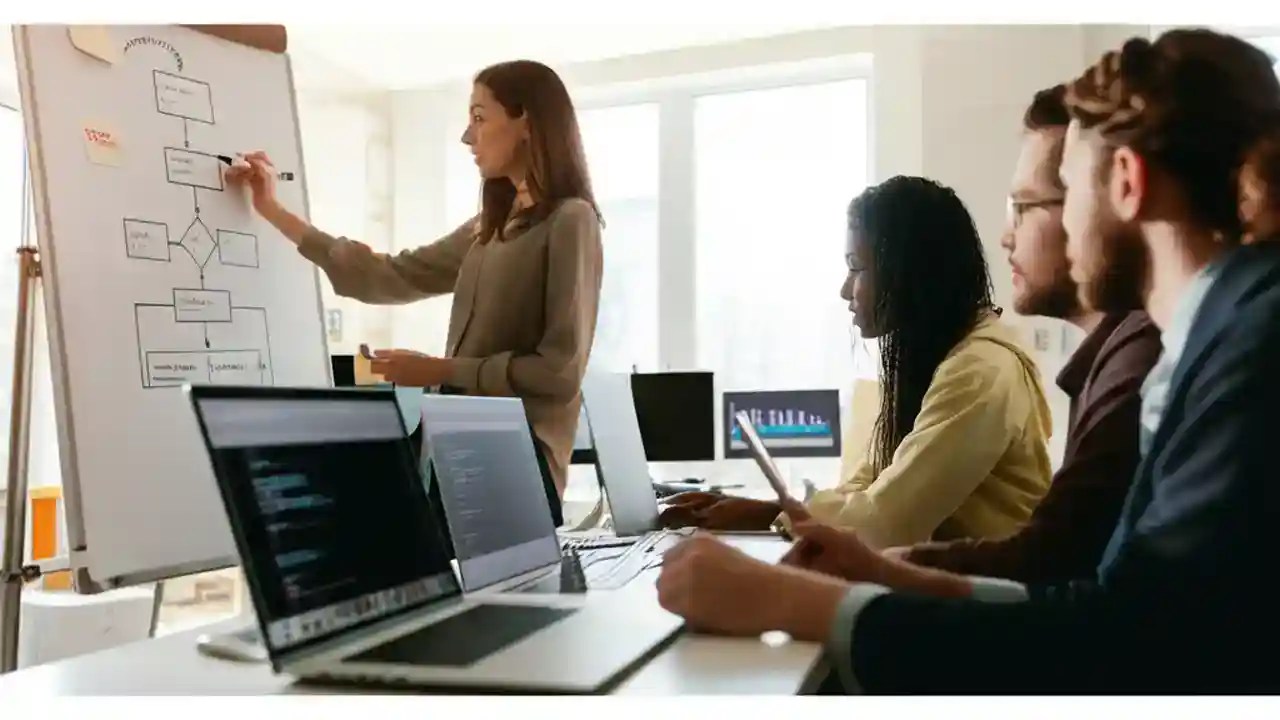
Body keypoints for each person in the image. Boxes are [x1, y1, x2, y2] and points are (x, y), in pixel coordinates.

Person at [656, 28, 1280, 693]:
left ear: (1127, 182)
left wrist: (779, 599)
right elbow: (1107, 606)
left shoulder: (1249, 350)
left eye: (1060, 195)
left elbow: (1127, 646)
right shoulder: (1213, 339)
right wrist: (884, 574)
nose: (1050, 230)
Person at [226, 60, 604, 521]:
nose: (468, 137)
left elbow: (559, 373)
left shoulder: (571, 220)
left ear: (525, 121)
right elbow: (389, 275)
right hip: (453, 449)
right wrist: (271, 210)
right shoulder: (487, 228)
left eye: (480, 118)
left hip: (517, 465)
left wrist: (437, 369)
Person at [662, 176, 1054, 550]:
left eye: (856, 267)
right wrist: (760, 511)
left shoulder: (981, 370)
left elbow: (884, 525)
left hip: (992, 602)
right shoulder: (935, 359)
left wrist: (775, 514)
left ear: (909, 271)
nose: (845, 289)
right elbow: (869, 489)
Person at [892, 85, 1161, 584]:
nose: (1005, 235)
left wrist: (859, 575)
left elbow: (1056, 571)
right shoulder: (1113, 360)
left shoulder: (1139, 368)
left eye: (1023, 205)